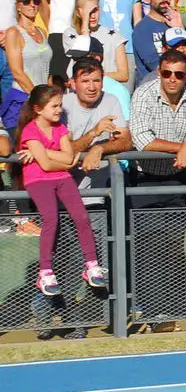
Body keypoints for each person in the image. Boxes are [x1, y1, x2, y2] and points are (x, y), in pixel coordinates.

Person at [15, 84, 108, 296]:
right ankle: (45, 272)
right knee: (51, 219)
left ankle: (91, 265)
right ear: (38, 109)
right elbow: (49, 165)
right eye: (54, 106)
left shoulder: (60, 129)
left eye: (60, 106)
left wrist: (45, 153)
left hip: (62, 178)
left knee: (81, 216)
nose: (59, 110)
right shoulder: (30, 130)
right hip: (38, 179)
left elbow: (64, 156)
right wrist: (64, 163)